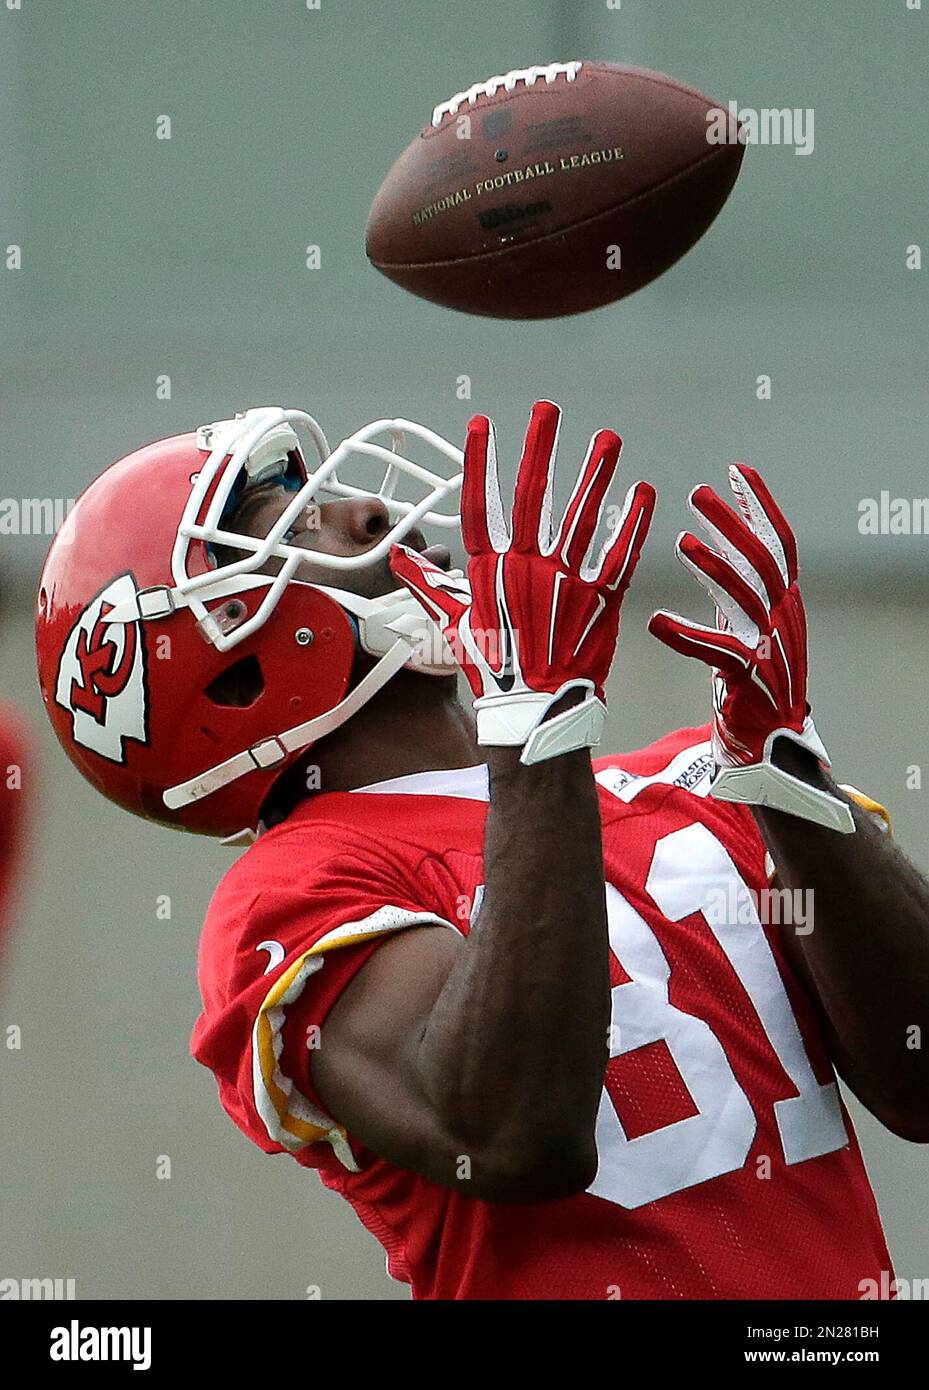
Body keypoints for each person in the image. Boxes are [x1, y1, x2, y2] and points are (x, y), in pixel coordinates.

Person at [35, 400, 929, 1300]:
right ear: (229, 670)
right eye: (296, 522)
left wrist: (783, 771)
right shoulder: (292, 891)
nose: (370, 514)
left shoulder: (687, 777)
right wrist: (535, 734)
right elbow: (511, 1135)